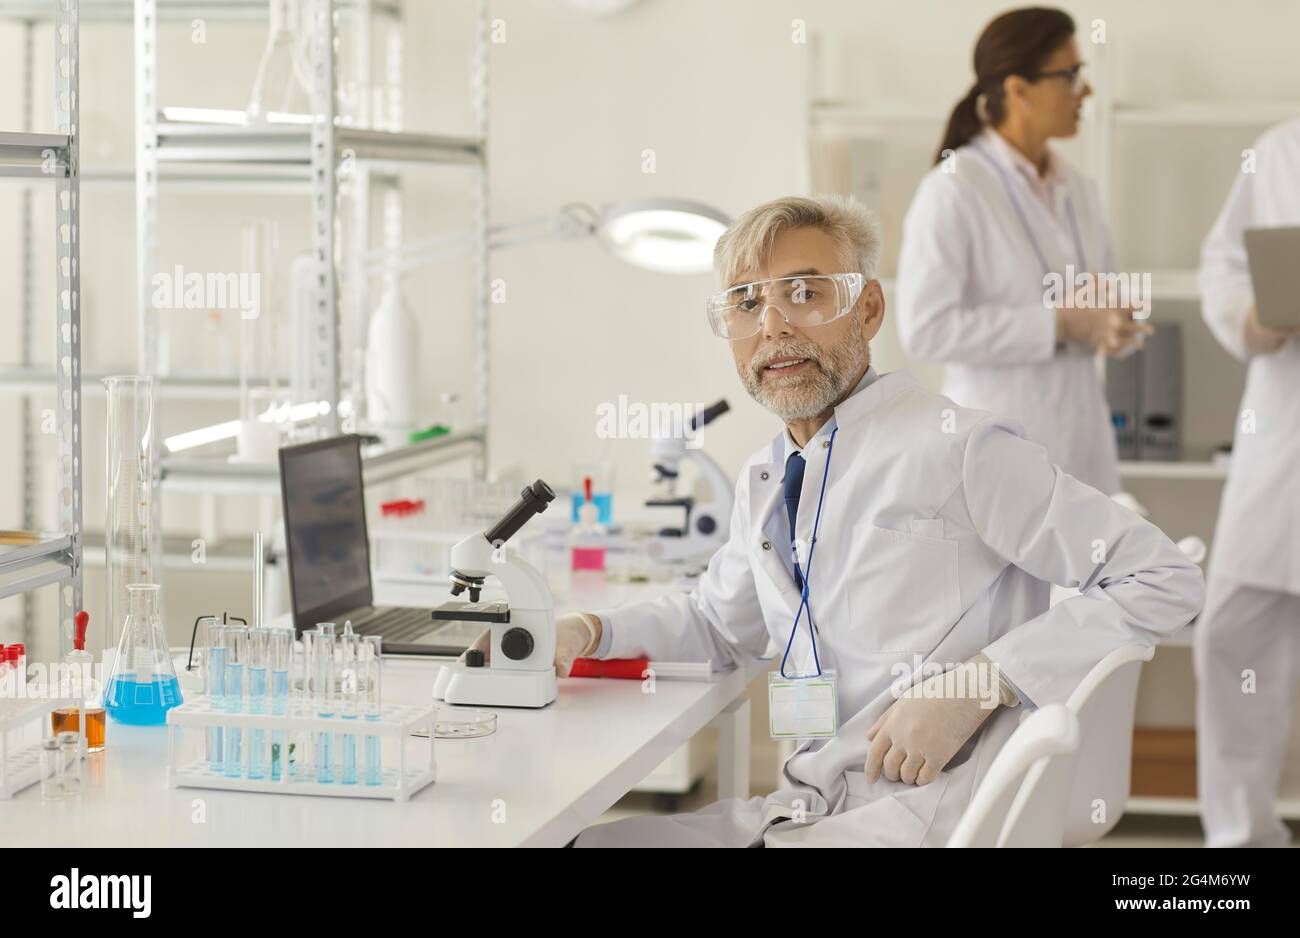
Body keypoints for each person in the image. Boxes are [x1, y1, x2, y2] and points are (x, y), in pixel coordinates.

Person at [466, 194, 1203, 847]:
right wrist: (587, 631)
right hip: (808, 808)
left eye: (807, 293)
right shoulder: (769, 475)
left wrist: (984, 681)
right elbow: (721, 626)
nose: (774, 325)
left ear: (870, 310)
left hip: (921, 816)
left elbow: (1165, 577)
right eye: (747, 303)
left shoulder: (960, 448)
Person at [896, 6, 1150, 495]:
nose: (1086, 91)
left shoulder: (1080, 188)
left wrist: (1111, 323)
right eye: (1071, 76)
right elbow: (925, 328)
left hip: (1083, 445)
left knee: (1092, 565)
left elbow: (1099, 293)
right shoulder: (954, 187)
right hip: (996, 448)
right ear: (1018, 90)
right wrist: (1061, 323)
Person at [1195, 117, 1300, 848]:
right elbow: (1224, 268)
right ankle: (1244, 841)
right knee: (1231, 637)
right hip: (1283, 432)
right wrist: (1256, 315)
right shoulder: (1283, 150)